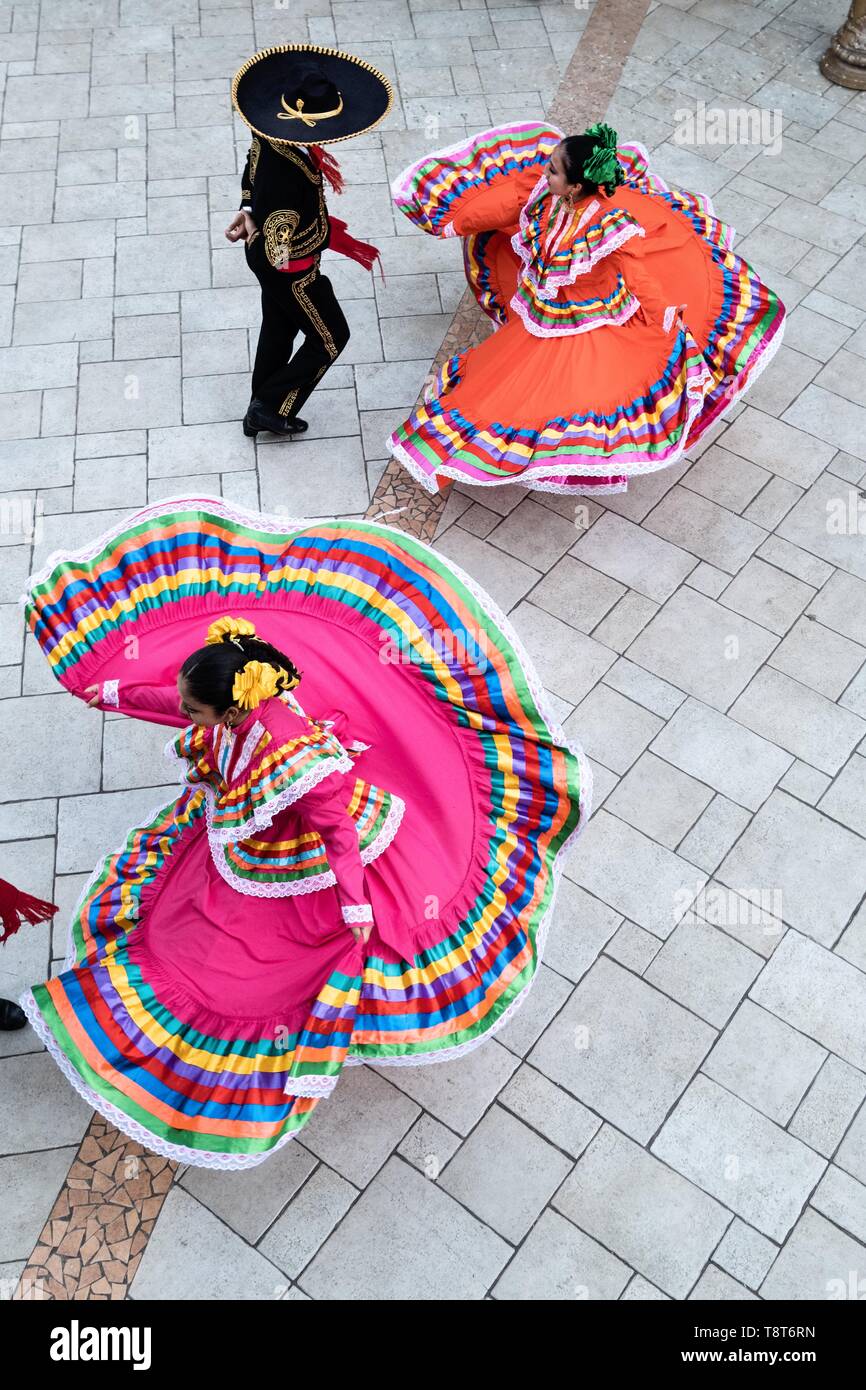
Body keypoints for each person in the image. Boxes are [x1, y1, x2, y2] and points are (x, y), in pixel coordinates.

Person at [18, 496, 588, 1168]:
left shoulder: (301, 764)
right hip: (252, 832)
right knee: (204, 905)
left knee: (264, 950)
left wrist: (353, 904)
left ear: (230, 708)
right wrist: (109, 691)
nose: (185, 712)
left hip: (306, 852)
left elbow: (339, 834)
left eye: (196, 707)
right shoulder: (230, 704)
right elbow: (168, 701)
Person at [387, 120, 786, 495]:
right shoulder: (547, 195)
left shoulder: (609, 227)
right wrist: (450, 224)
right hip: (542, 314)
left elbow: (638, 276)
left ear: (576, 186)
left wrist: (666, 319)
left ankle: (472, 456)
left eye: (554, 171)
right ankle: (452, 454)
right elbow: (506, 206)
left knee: (557, 395)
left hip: (588, 318)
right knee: (503, 381)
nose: (545, 174)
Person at [224, 44, 391, 440]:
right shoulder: (288, 176)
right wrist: (271, 240)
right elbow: (279, 250)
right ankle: (269, 406)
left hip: (267, 250)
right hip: (292, 270)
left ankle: (262, 405)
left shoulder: (266, 132)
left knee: (279, 329)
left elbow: (252, 165)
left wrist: (248, 208)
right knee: (330, 337)